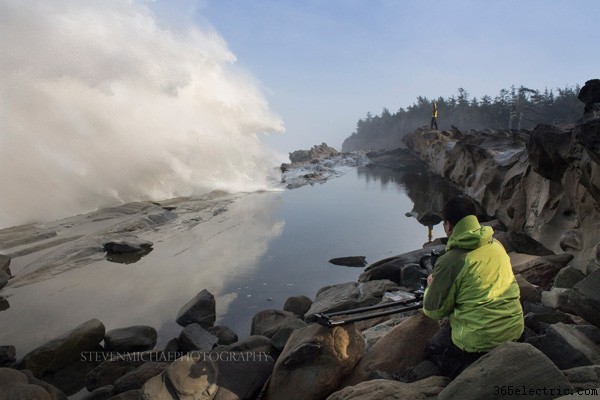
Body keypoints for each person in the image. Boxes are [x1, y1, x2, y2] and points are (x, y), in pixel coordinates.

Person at [421, 196, 524, 378]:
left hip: (479, 346)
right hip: (516, 332)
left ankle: (470, 377)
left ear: (447, 225)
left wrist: (431, 284)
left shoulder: (451, 261)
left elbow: (433, 311)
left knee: (433, 349)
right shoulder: (496, 245)